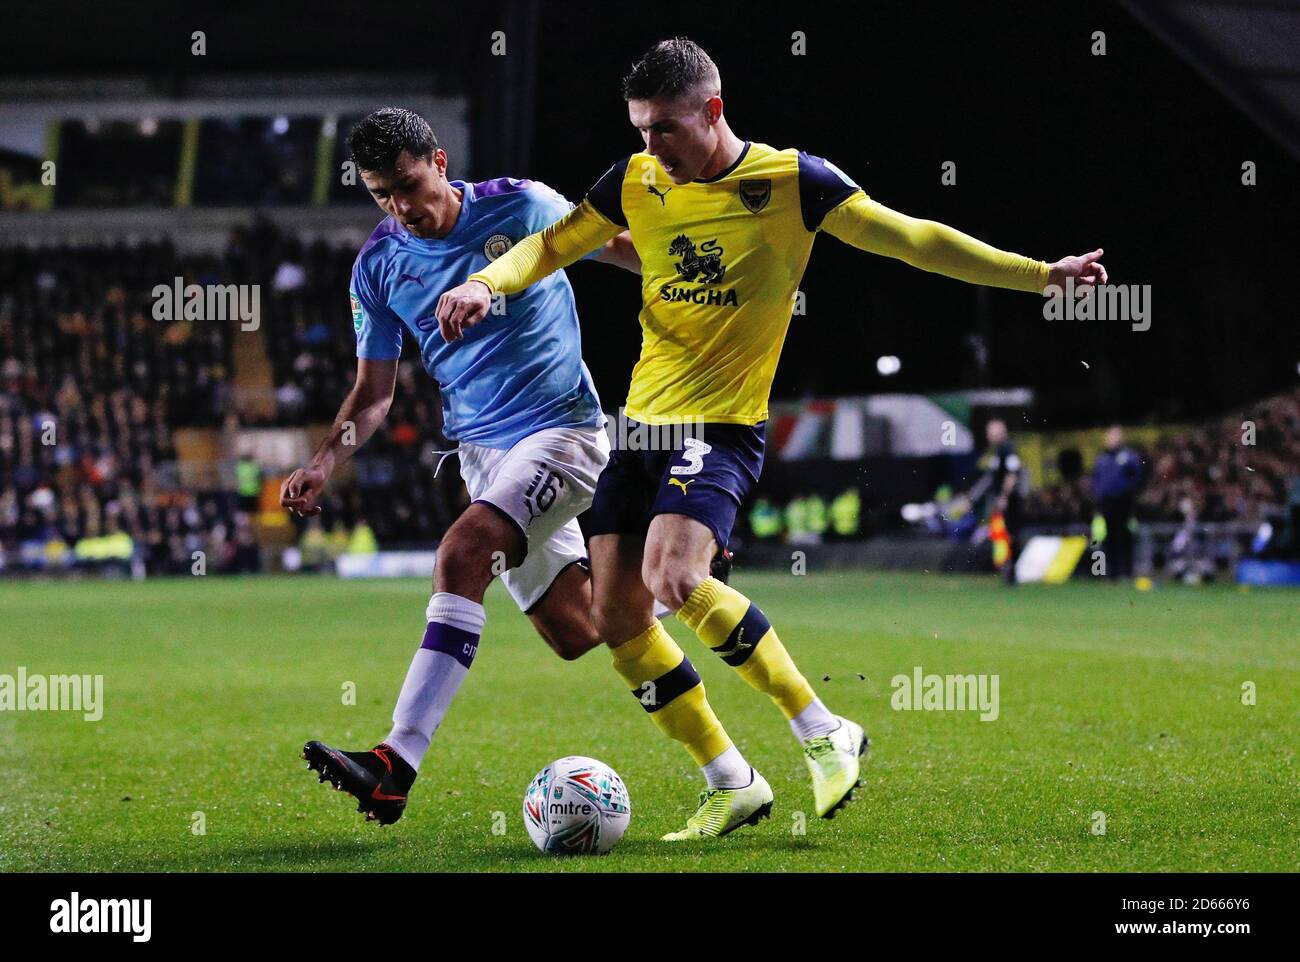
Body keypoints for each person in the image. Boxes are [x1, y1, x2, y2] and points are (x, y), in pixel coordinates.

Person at [436, 38, 1107, 838]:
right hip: (641, 424)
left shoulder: (794, 183)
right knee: (617, 620)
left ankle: (823, 729)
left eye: (666, 129)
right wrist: (485, 281)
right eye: (641, 129)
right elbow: (553, 244)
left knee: (676, 576)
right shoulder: (636, 180)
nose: (651, 147)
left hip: (721, 425)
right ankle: (732, 780)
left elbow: (915, 239)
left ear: (713, 110)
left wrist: (1040, 274)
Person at [280, 107, 641, 825]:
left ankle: (394, 763)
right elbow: (374, 392)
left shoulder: (525, 205)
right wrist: (325, 461)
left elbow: (621, 248)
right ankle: (666, 568)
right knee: (579, 631)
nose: (400, 207)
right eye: (381, 194)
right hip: (481, 455)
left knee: (461, 552)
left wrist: (708, 290)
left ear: (440, 162)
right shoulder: (378, 267)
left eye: (408, 185)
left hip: (562, 431)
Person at [964, 419, 1027, 582]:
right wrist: (973, 497)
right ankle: (1007, 569)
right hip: (1002, 499)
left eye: (992, 432)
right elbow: (991, 478)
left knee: (1010, 534)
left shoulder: (1008, 449)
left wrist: (1004, 496)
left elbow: (1012, 474)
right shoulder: (998, 451)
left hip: (1009, 501)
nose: (989, 436)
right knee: (1002, 535)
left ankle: (1011, 571)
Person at [1092, 425, 1144, 579]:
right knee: (1107, 538)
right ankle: (1110, 572)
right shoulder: (1102, 459)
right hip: (1106, 503)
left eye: (1116, 436)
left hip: (1124, 502)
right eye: (1111, 436)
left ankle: (1127, 572)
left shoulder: (1129, 456)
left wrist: (1127, 492)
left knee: (1125, 536)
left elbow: (1137, 476)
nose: (1113, 439)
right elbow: (1097, 480)